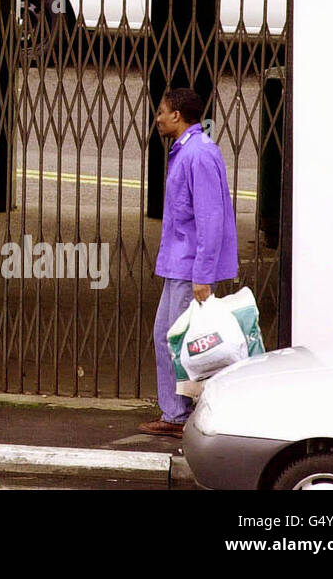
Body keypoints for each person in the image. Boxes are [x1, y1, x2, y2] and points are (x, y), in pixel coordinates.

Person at [141, 87, 239, 438]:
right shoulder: (186, 151)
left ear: (177, 117)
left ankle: (182, 414)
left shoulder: (198, 154)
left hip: (189, 267)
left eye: (161, 113)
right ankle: (176, 410)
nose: (158, 119)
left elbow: (210, 219)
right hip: (177, 264)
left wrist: (203, 275)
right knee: (167, 336)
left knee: (183, 340)